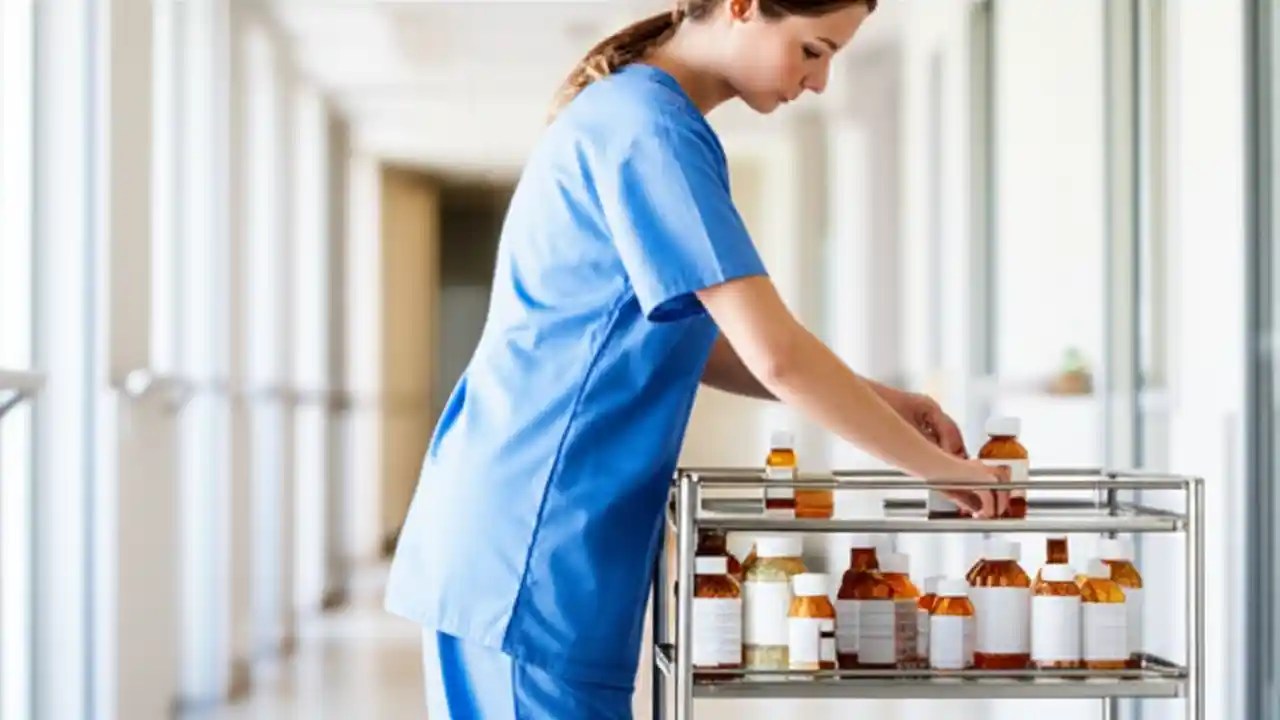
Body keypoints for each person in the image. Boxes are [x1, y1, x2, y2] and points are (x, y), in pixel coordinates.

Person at [385, 1, 1009, 717]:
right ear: (741, 7)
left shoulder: (636, 114)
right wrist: (938, 469)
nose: (820, 81)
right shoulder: (651, 128)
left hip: (523, 525)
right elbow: (777, 353)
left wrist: (884, 402)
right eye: (812, 49)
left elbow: (694, 338)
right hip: (533, 535)